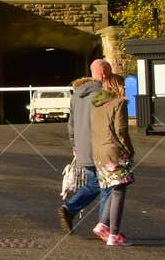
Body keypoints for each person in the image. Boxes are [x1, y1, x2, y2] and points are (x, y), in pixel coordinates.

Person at [58, 60, 109, 234]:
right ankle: (104, 226)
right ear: (103, 73)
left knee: (96, 183)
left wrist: (75, 145)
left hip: (82, 149)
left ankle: (70, 209)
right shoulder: (102, 94)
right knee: (108, 186)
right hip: (99, 148)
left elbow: (71, 124)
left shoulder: (76, 95)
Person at [90, 64, 135, 246]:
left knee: (112, 188)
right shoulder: (119, 103)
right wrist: (129, 150)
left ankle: (103, 224)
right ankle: (114, 234)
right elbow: (121, 130)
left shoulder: (96, 105)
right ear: (118, 86)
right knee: (119, 190)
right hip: (114, 150)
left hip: (99, 152)